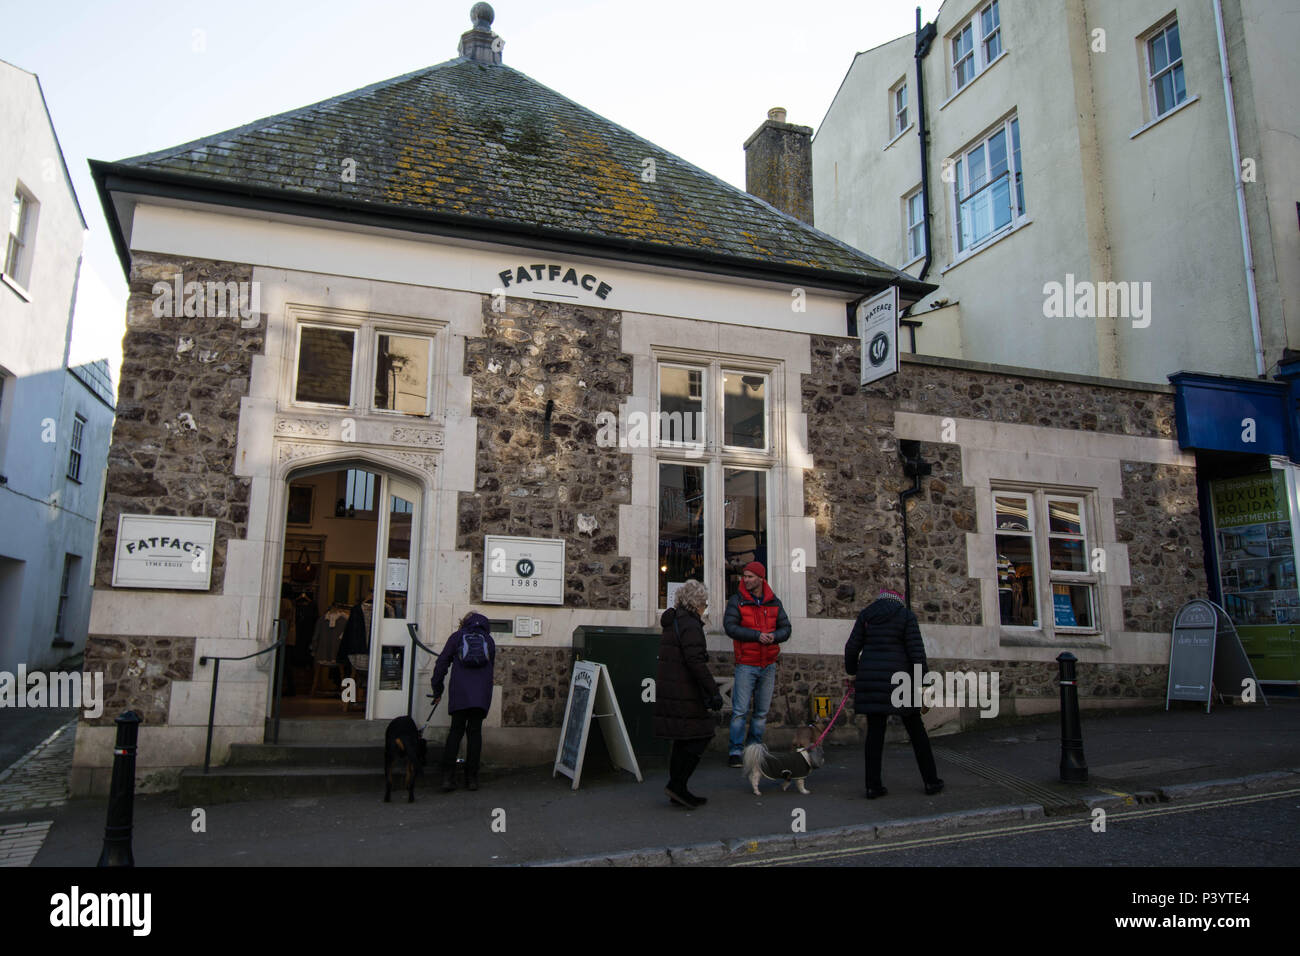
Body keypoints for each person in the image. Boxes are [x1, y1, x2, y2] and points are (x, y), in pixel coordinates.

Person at [844, 587, 944, 799]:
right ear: (899, 599)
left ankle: (873, 786)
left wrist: (853, 671)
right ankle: (931, 781)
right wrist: (924, 683)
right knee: (916, 731)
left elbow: (851, 648)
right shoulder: (905, 615)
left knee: (875, 734)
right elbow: (916, 652)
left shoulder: (866, 615)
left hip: (872, 678)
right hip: (901, 680)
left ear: (879, 598)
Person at [655, 580, 723, 808]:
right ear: (697, 603)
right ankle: (678, 785)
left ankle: (677, 787)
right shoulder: (690, 625)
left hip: (671, 688)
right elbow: (695, 662)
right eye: (704, 603)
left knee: (682, 739)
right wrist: (713, 691)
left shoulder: (673, 620)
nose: (705, 608)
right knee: (701, 734)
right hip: (685, 690)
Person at [722, 561, 791, 768]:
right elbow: (730, 627)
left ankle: (754, 749)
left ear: (761, 578)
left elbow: (786, 628)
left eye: (751, 576)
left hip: (768, 663)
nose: (746, 580)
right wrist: (756, 636)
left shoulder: (774, 602)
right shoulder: (737, 601)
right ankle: (735, 750)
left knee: (761, 712)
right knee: (740, 711)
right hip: (746, 663)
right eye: (745, 576)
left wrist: (774, 636)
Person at [431, 611, 496, 792]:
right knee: (475, 734)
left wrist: (437, 688)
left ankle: (447, 778)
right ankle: (472, 779)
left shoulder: (457, 637)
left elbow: (441, 663)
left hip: (460, 694)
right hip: (480, 696)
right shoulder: (489, 641)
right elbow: (491, 669)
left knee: (456, 732)